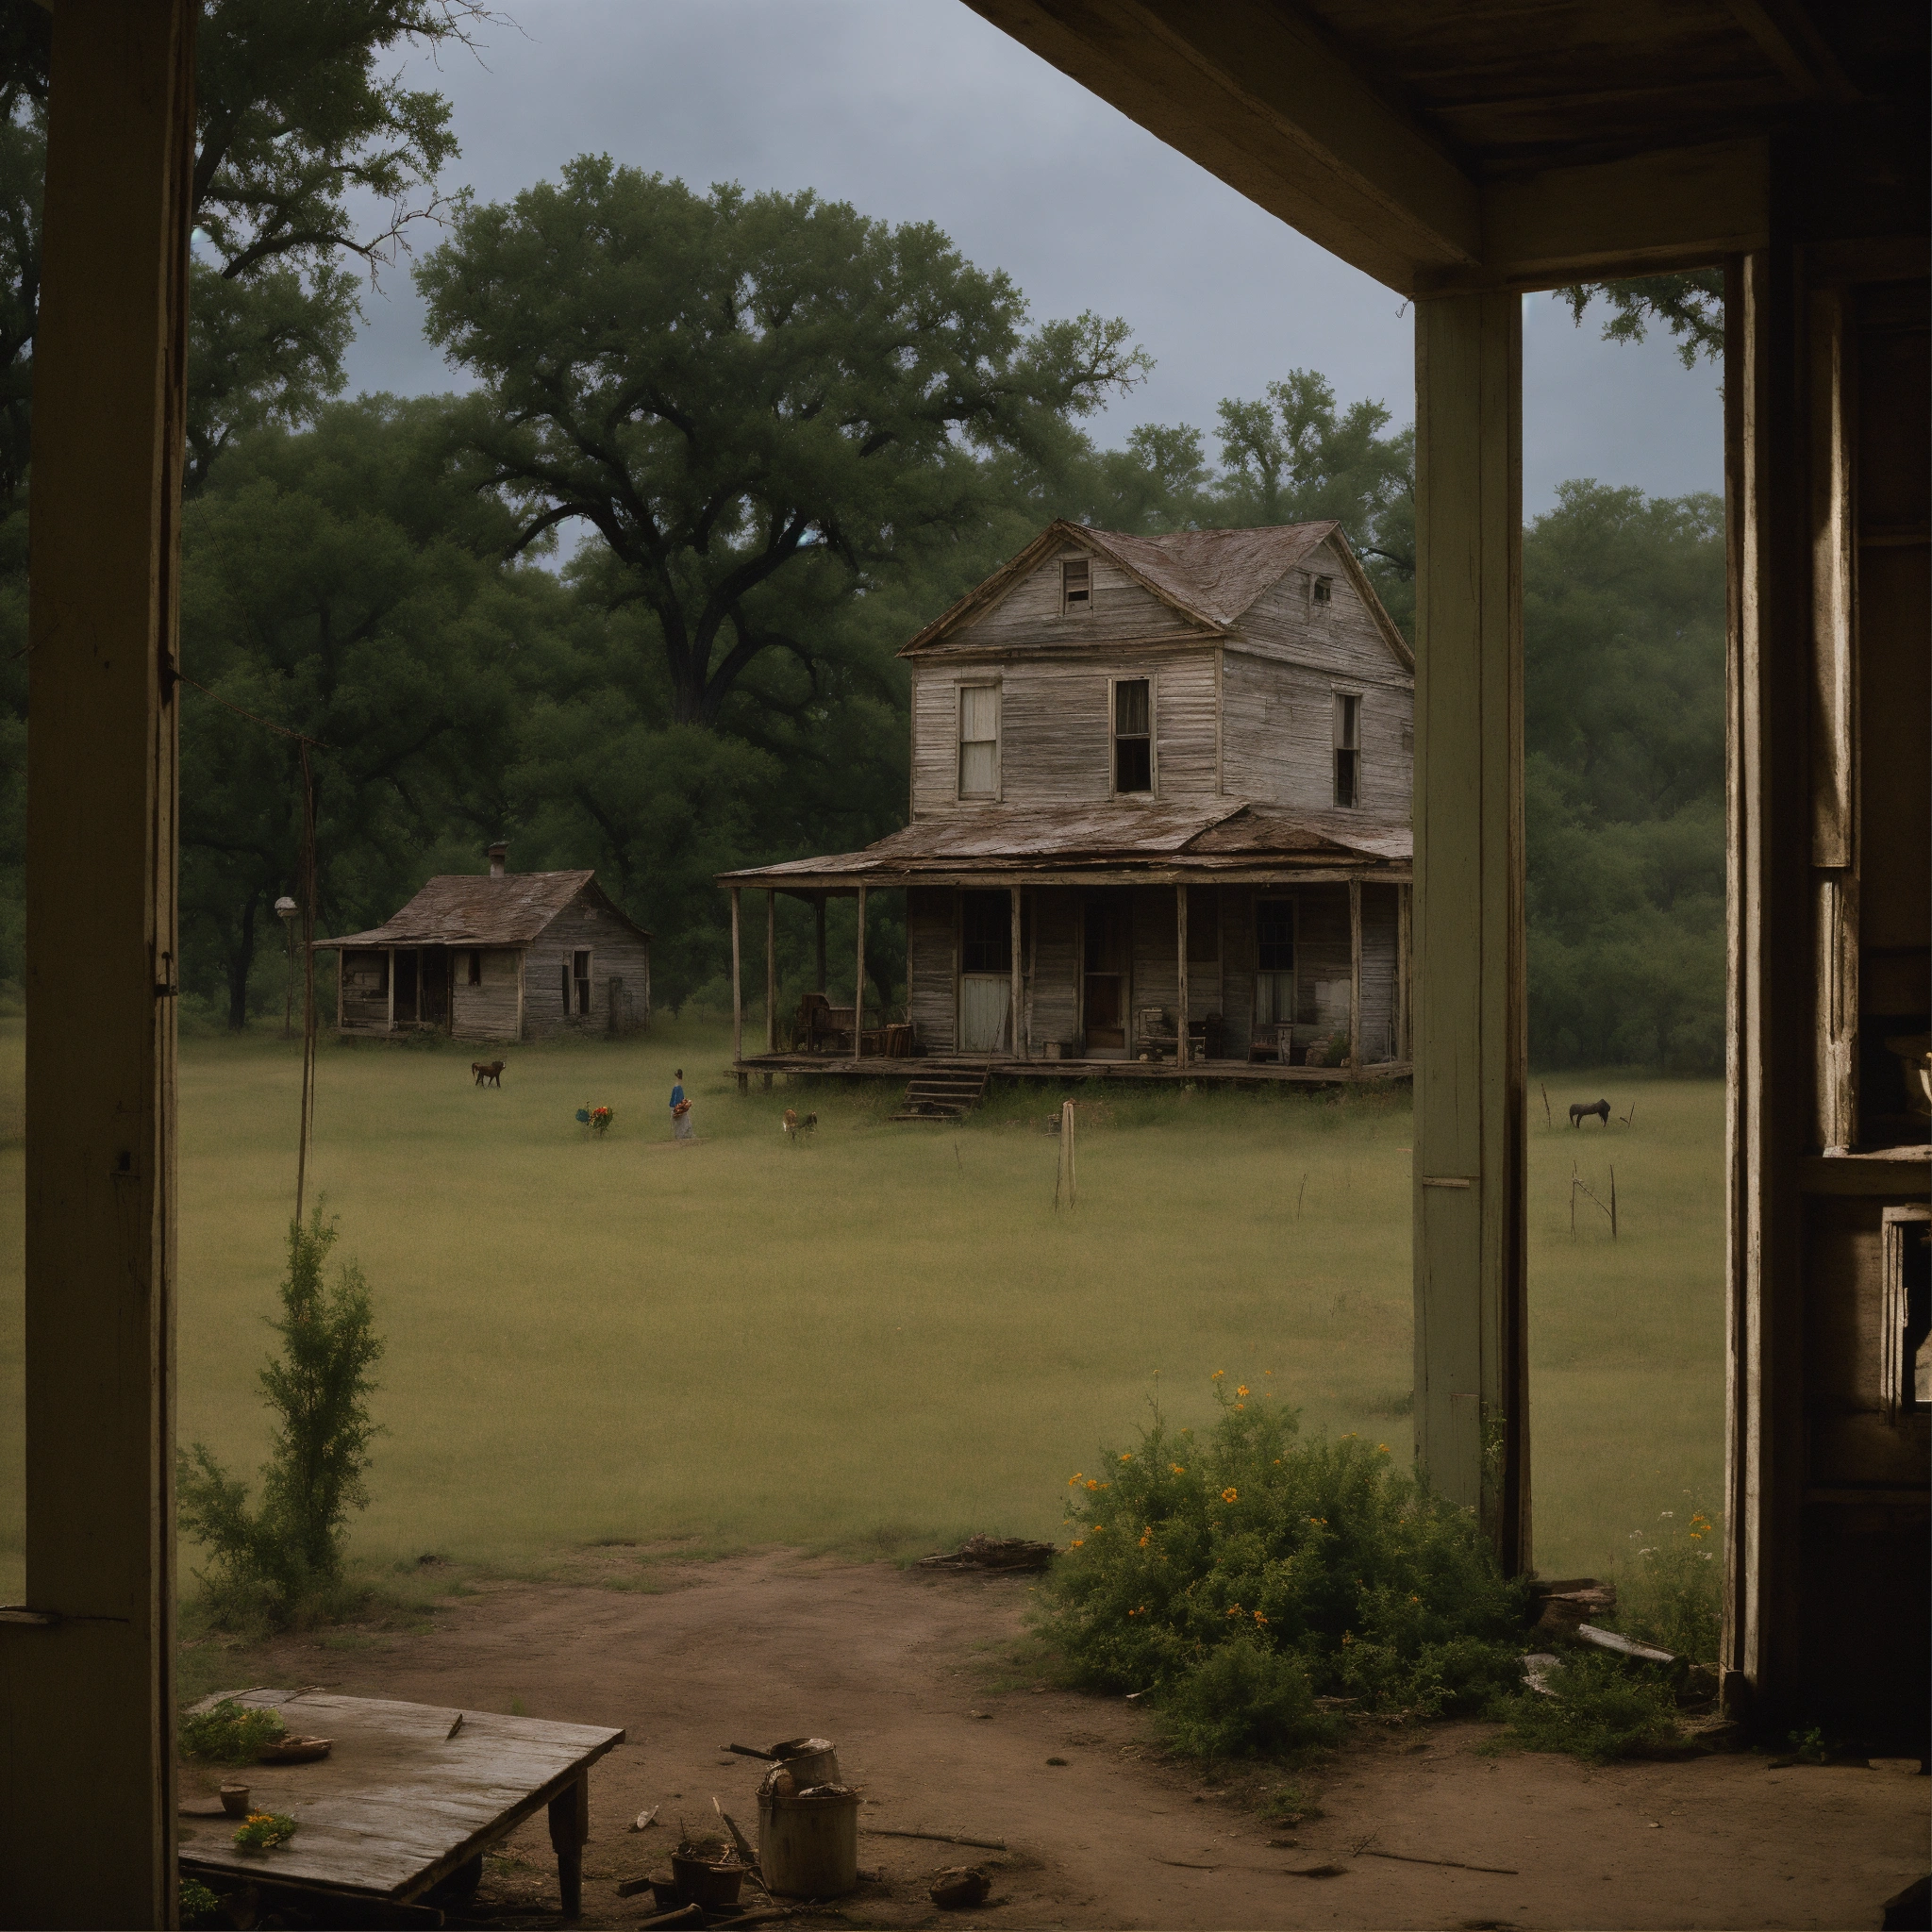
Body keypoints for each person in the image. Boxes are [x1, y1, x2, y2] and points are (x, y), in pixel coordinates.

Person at [669, 1068, 694, 1142]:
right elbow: (676, 1103)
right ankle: (682, 1138)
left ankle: (682, 1137)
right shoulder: (677, 1087)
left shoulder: (677, 1087)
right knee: (682, 1124)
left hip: (676, 1106)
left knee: (683, 1124)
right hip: (676, 1107)